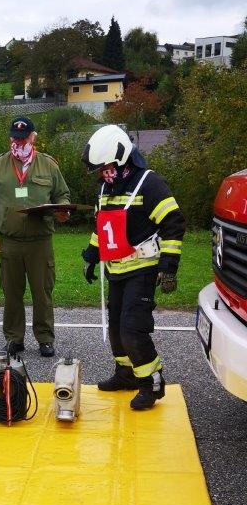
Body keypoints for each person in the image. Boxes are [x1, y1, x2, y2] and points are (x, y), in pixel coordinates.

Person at [81, 124, 186, 410]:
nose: (103, 173)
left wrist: (169, 266)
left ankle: (152, 384)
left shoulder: (149, 183)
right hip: (116, 271)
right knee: (116, 331)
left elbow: (174, 222)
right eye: (100, 169)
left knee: (132, 330)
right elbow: (102, 227)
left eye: (105, 167)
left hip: (142, 270)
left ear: (121, 158)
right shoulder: (106, 187)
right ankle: (126, 374)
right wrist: (91, 256)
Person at [0, 116, 71, 357]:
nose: (19, 142)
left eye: (23, 137)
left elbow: (62, 195)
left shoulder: (48, 165)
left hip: (40, 243)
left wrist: (63, 210)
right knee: (11, 294)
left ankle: (45, 338)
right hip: (10, 242)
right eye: (15, 137)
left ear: (33, 137)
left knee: (42, 293)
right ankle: (14, 338)